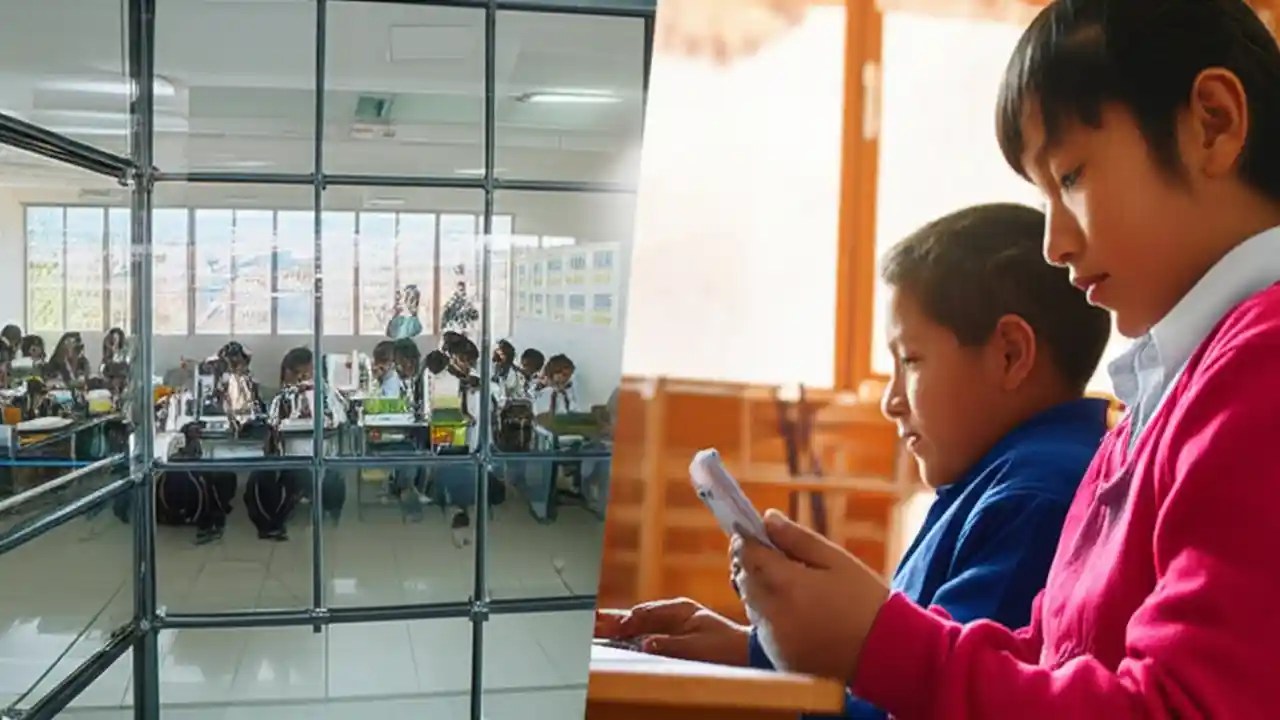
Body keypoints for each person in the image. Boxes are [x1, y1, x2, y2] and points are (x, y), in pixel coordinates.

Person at [722, 2, 1280, 718]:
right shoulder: (1159, 399)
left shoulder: (1261, 365)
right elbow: (1053, 659)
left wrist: (879, 644)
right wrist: (851, 631)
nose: (1055, 245)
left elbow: (1180, 707)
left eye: (1071, 176)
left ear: (1212, 122)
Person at [599, 204, 1112, 719]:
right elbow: (895, 674)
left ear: (1009, 354)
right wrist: (753, 650)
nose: (891, 400)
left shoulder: (1035, 500)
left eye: (910, 360)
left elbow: (928, 701)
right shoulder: (1001, 482)